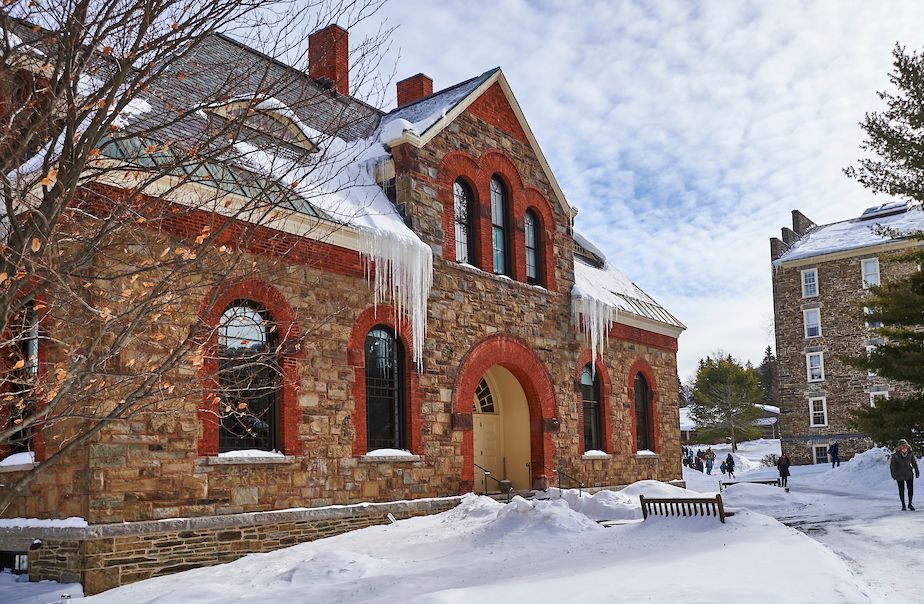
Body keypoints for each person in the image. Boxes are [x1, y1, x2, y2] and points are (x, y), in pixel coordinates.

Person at [890, 439, 920, 511]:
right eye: (902, 448)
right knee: (901, 490)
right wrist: (893, 474)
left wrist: (917, 471)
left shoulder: (910, 454)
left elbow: (914, 463)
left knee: (910, 490)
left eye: (905, 447)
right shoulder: (895, 456)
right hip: (899, 475)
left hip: (909, 474)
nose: (904, 449)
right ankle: (903, 505)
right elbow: (892, 466)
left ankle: (910, 504)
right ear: (899, 448)